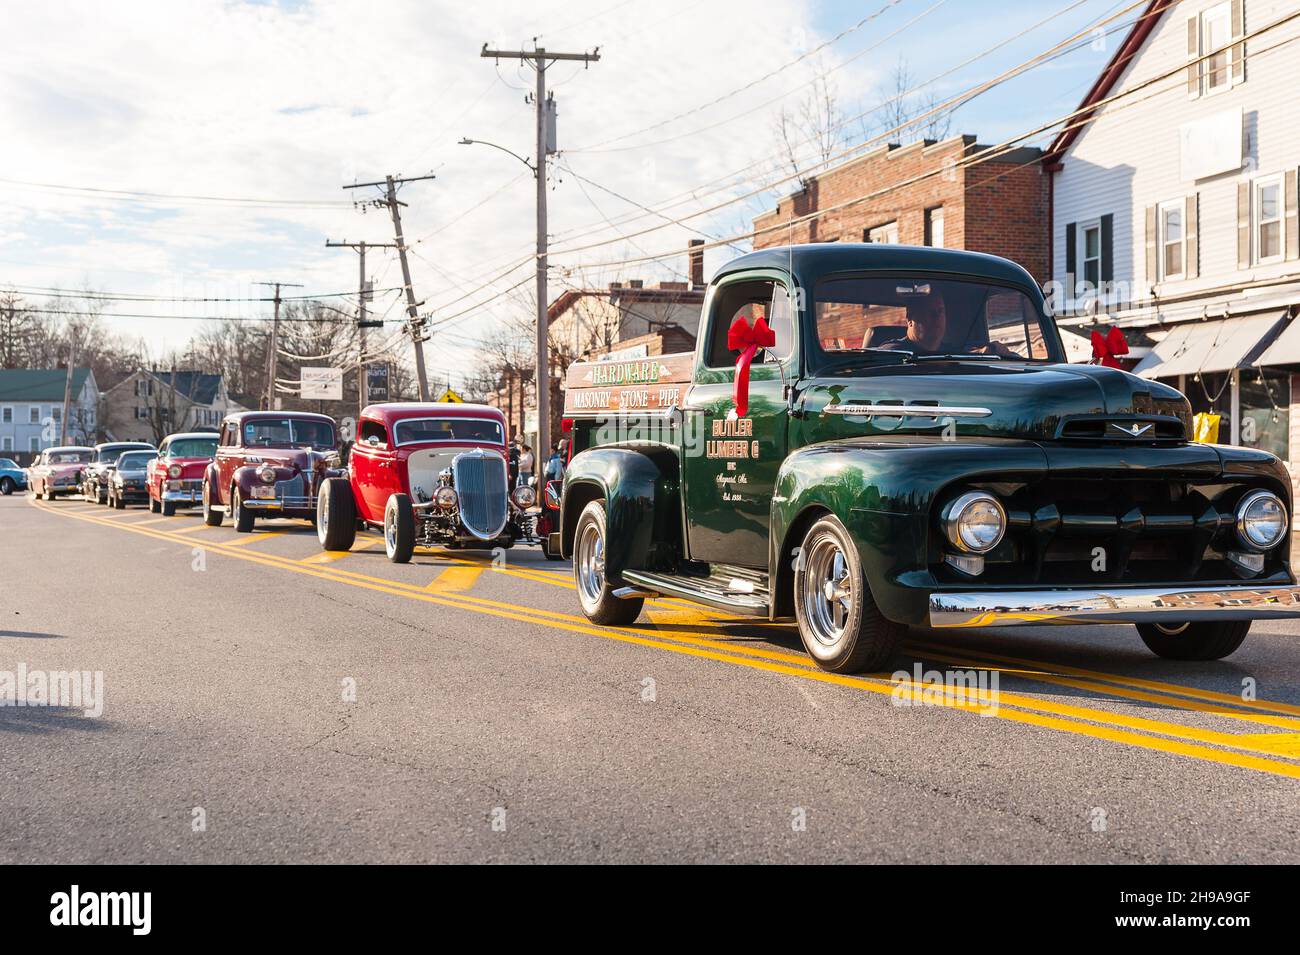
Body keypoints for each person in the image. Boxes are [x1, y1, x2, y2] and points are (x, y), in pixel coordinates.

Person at [876, 293, 1016, 357]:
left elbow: (959, 355)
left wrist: (988, 351)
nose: (937, 317)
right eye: (930, 312)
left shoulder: (951, 351)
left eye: (940, 311)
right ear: (910, 319)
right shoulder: (893, 351)